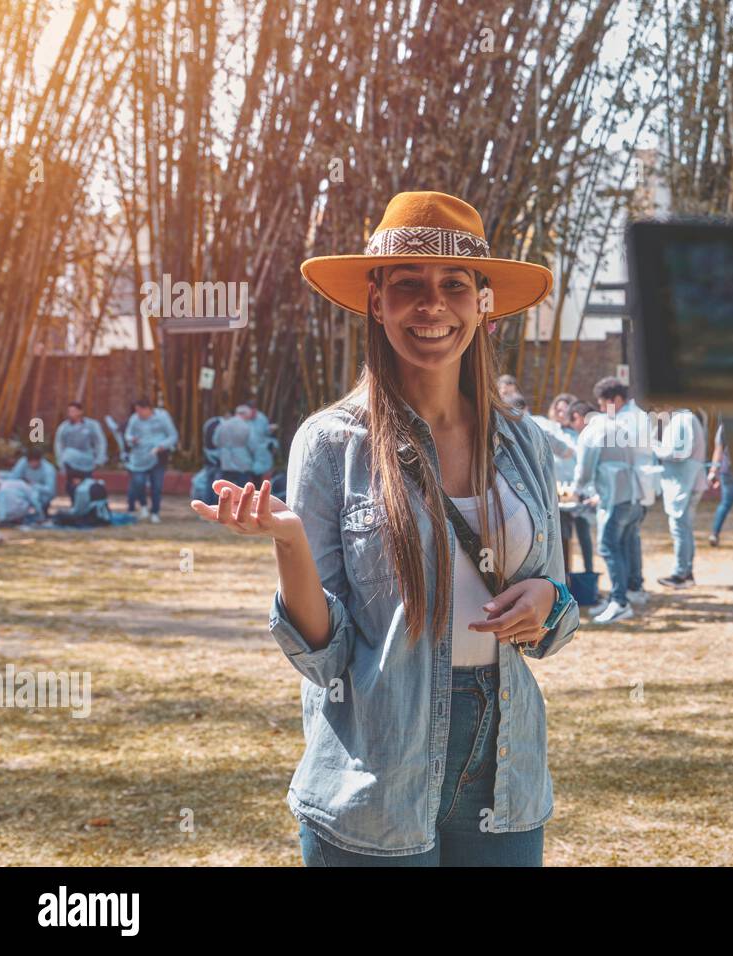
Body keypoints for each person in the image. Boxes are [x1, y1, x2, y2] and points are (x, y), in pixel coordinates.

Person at [190, 190, 578, 867]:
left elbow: (559, 600)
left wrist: (547, 602)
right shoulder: (331, 442)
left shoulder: (523, 442)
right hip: (375, 763)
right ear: (377, 302)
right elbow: (324, 654)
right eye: (408, 286)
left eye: (454, 285)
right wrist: (290, 545)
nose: (432, 305)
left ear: (481, 305)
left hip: (506, 765)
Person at [574, 379, 647, 622]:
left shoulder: (594, 430)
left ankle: (619, 602)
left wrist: (578, 489)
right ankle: (622, 595)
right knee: (623, 545)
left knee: (608, 547)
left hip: (615, 497)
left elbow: (584, 469)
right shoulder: (621, 426)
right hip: (634, 495)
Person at [596, 377, 659, 607]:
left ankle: (624, 593)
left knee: (618, 543)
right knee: (630, 540)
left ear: (617, 400)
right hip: (640, 488)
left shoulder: (624, 421)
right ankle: (634, 586)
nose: (601, 410)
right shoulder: (637, 416)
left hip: (628, 489)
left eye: (603, 404)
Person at [532, 399, 592, 575]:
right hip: (559, 489)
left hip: (579, 488)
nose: (561, 414)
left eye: (565, 411)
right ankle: (565, 575)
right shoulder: (547, 428)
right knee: (562, 535)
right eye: (558, 410)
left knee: (584, 534)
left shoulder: (579, 433)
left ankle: (589, 573)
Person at [654, 406, 708, 588]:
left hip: (684, 483)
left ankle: (680, 575)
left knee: (680, 529)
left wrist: (654, 447)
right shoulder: (686, 418)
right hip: (688, 482)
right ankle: (686, 573)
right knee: (684, 529)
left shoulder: (682, 419)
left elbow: (678, 453)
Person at [125, 399, 179, 523]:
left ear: (149, 408)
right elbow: (127, 435)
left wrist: (162, 446)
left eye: (140, 410)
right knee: (138, 482)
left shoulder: (163, 417)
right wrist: (131, 439)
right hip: (139, 456)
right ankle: (143, 506)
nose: (138, 413)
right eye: (136, 410)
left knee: (157, 485)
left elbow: (173, 436)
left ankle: (155, 512)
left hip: (158, 456)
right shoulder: (134, 419)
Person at [54, 401, 108, 501]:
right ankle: (74, 504)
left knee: (87, 484)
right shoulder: (64, 427)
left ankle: (87, 506)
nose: (71, 413)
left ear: (80, 412)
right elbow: (59, 444)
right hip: (70, 460)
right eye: (69, 411)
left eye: (74, 411)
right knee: (71, 484)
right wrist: (60, 461)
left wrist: (99, 459)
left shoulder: (92, 425)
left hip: (86, 460)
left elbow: (100, 442)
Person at [214, 405, 263, 488]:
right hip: (242, 461)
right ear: (246, 415)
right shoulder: (247, 426)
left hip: (226, 461)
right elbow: (253, 445)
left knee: (226, 488)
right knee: (242, 488)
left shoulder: (223, 425)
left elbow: (215, 441)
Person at [8, 448, 57, 517]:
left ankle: (41, 512)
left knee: (36, 497)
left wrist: (35, 486)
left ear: (40, 460)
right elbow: (13, 478)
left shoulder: (48, 469)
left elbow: (51, 490)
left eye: (35, 461)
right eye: (30, 462)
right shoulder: (23, 462)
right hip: (26, 492)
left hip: (42, 495)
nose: (32, 464)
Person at [246, 401, 280, 480]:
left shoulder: (262, 418)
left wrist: (270, 429)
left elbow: (266, 431)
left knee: (265, 472)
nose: (252, 414)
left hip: (261, 450)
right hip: (247, 451)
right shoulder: (244, 418)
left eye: (254, 412)